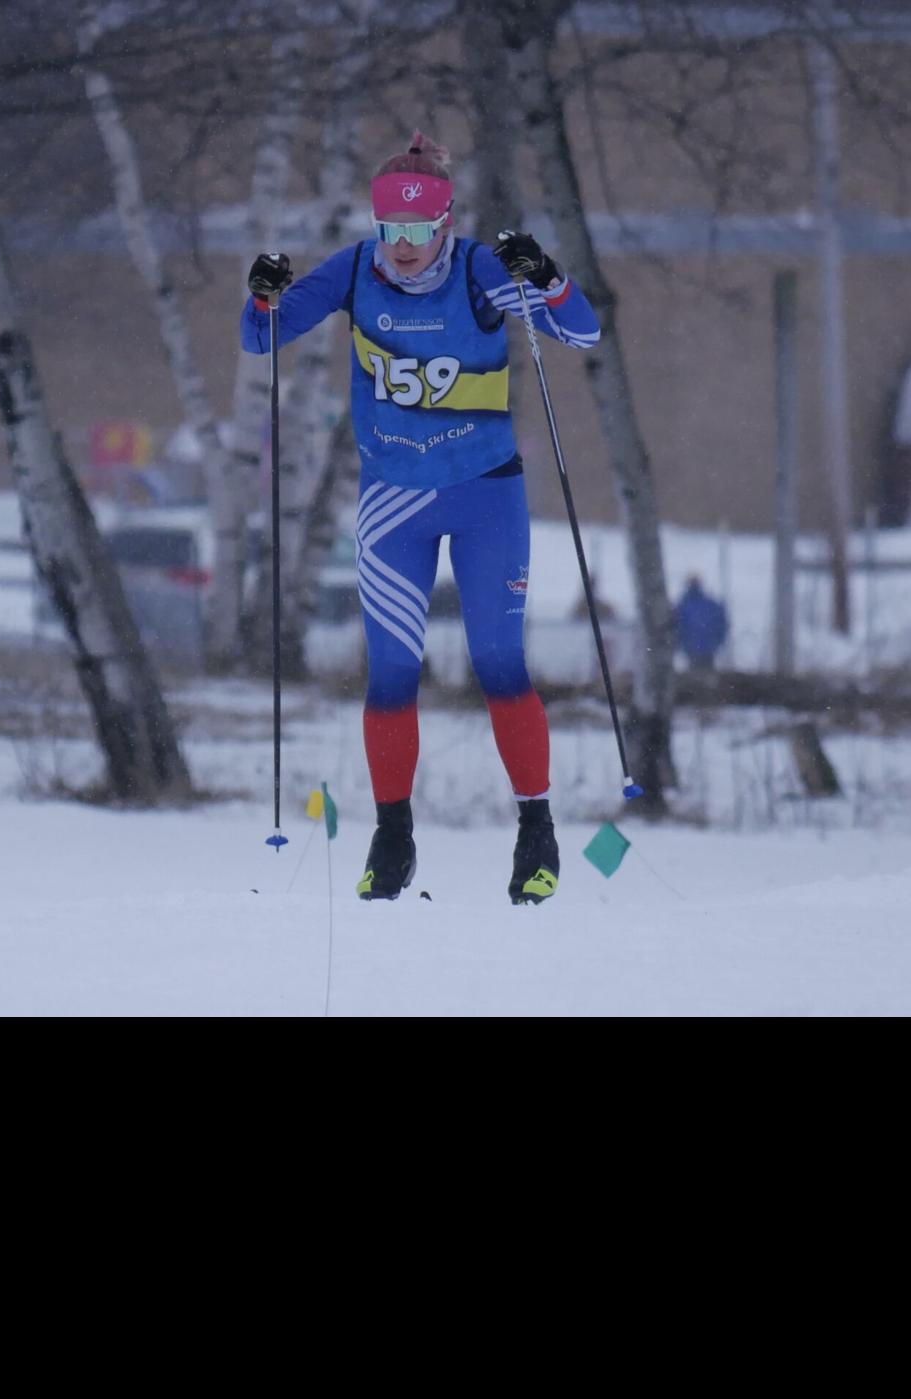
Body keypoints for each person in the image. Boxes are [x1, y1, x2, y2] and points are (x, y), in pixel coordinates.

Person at [240, 131, 601, 905]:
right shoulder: (355, 271)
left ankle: (536, 831)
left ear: (444, 223)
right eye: (390, 230)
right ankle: (392, 837)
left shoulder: (477, 270)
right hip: (392, 503)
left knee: (499, 664)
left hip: (484, 496)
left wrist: (548, 277)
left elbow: (581, 330)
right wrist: (262, 293)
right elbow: (258, 335)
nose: (403, 249)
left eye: (418, 230)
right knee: (392, 674)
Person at [674, 575, 729, 671]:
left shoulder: (683, 605)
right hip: (708, 648)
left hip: (691, 648)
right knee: (708, 674)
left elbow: (677, 627)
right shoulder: (711, 604)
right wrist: (718, 641)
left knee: (694, 676)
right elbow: (722, 624)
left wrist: (681, 642)